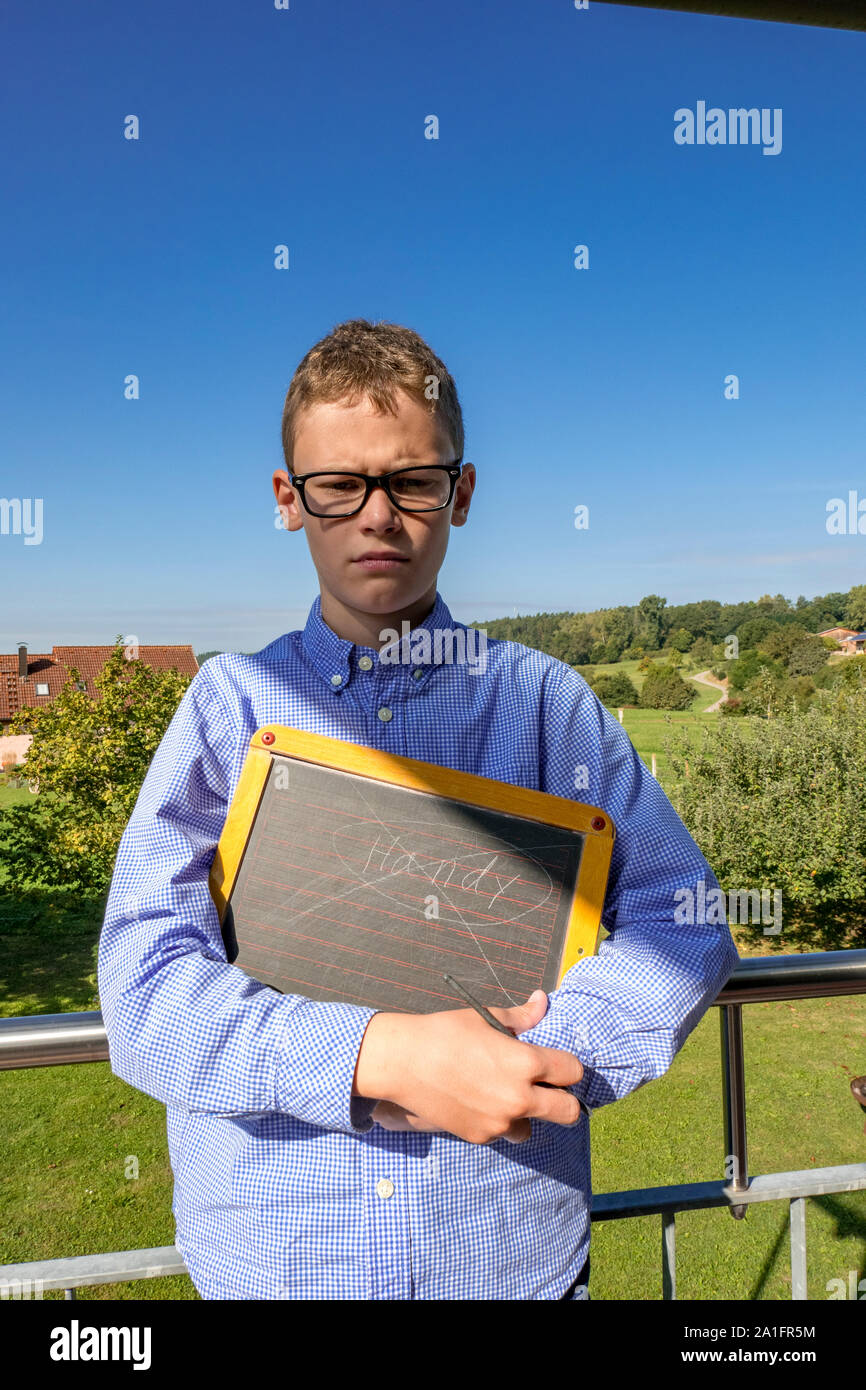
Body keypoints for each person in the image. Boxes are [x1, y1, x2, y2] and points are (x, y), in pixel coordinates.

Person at [97, 317, 740, 1300]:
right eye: (337, 486)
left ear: (461, 492)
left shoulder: (544, 704)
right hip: (274, 1268)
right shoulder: (225, 708)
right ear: (288, 500)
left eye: (412, 481)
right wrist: (375, 1055)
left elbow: (681, 919)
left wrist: (523, 1066)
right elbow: (144, 983)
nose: (376, 516)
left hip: (507, 1264)